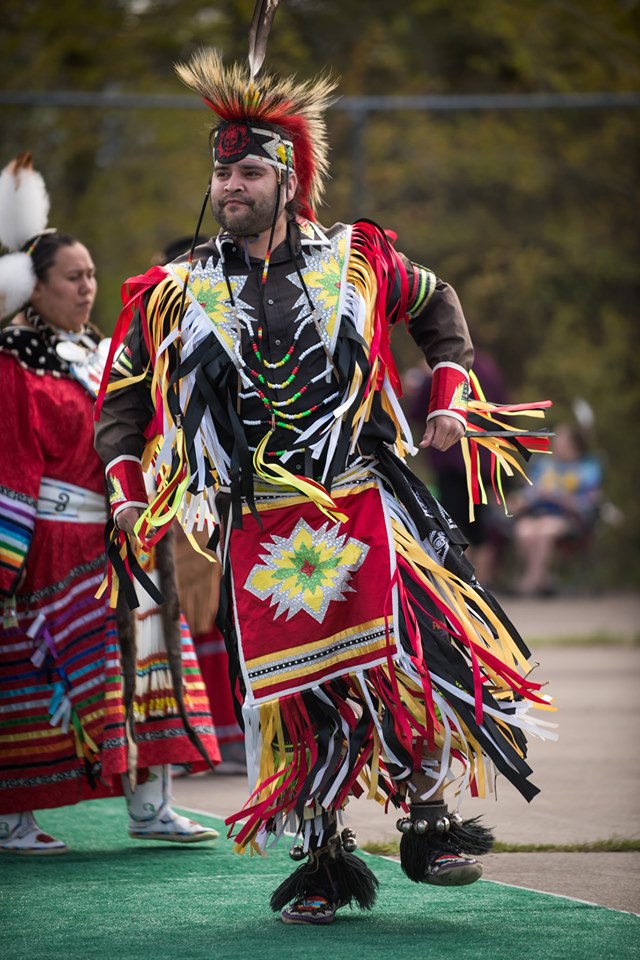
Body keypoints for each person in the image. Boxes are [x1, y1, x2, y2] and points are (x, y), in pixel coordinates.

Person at [94, 47, 555, 925]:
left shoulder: (356, 260)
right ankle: (321, 860)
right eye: (220, 170)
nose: (230, 184)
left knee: (407, 660)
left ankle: (430, 825)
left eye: (249, 170)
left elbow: (437, 304)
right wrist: (126, 488)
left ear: (289, 178)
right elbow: (121, 403)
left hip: (360, 495)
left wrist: (452, 397)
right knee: (296, 695)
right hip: (260, 520)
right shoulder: (175, 291)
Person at [0, 154, 219, 853]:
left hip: (124, 535)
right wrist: (7, 566)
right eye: (73, 277)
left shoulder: (100, 355)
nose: (89, 287)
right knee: (47, 674)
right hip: (51, 545)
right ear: (32, 289)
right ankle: (12, 816)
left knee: (152, 658)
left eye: (93, 275)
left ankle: (152, 803)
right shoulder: (11, 366)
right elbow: (11, 466)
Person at [407, 350, 509, 586]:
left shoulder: (443, 372)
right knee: (480, 527)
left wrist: (424, 378)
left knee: (453, 525)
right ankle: (482, 584)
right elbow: (505, 414)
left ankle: (463, 584)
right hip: (483, 460)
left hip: (451, 457)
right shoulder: (489, 370)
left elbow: (417, 411)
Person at [510, 422, 603, 596]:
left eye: (561, 441)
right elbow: (529, 491)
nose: (556, 445)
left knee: (546, 529)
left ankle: (530, 583)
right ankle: (544, 580)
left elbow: (588, 503)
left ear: (574, 445)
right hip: (538, 514)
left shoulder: (587, 469)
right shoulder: (544, 465)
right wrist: (521, 500)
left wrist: (557, 496)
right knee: (523, 530)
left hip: (571, 519)